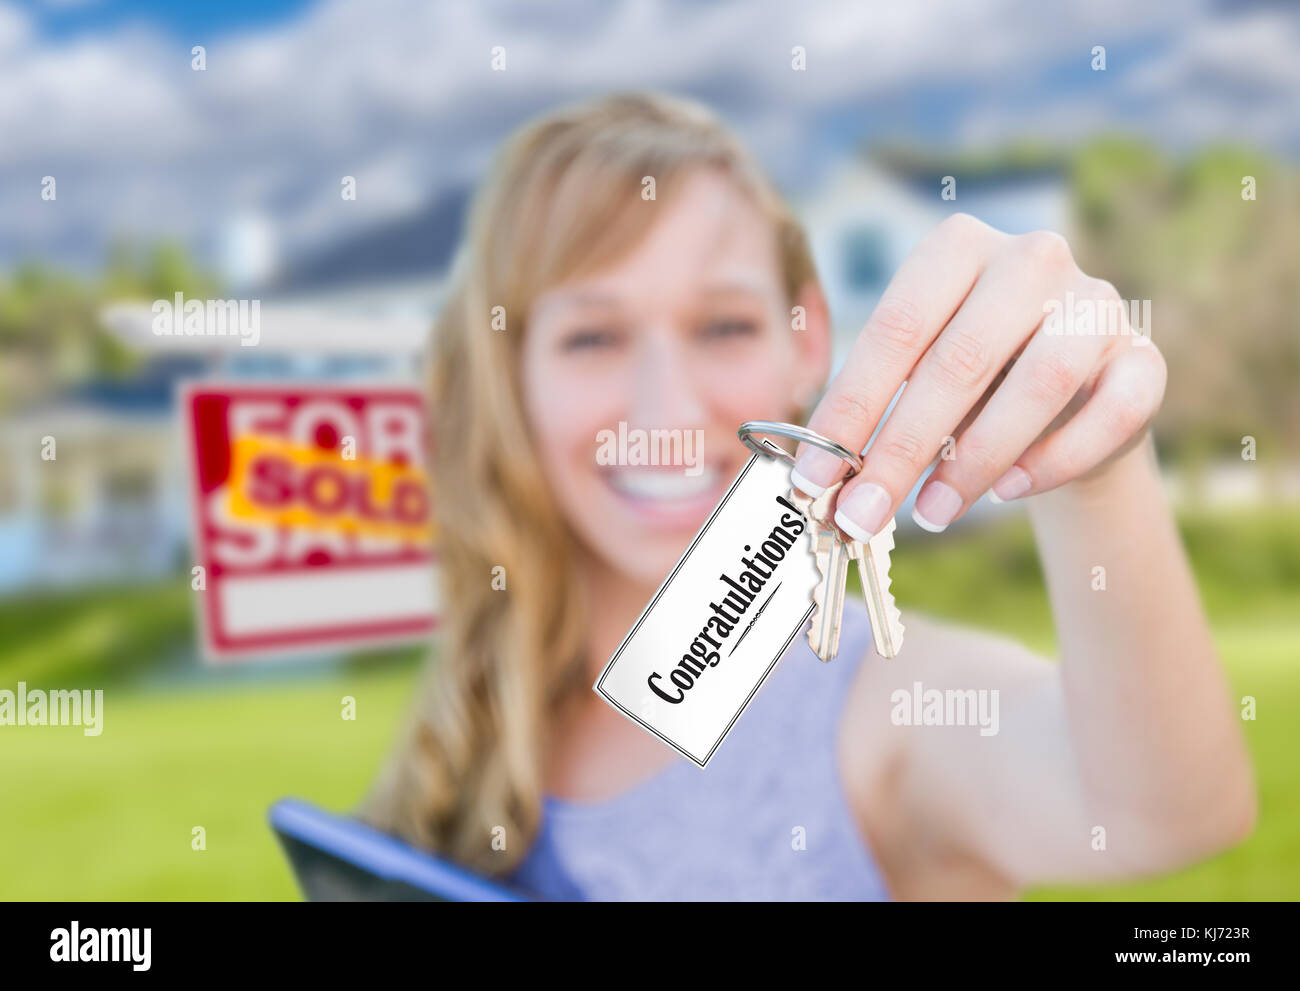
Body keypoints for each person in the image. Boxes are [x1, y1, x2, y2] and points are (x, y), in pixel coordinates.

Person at [361, 91, 1255, 900]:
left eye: (724, 325)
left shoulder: (878, 709)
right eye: (593, 336)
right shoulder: (491, 690)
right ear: (509, 376)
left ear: (807, 341)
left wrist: (1088, 466)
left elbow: (1159, 814)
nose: (667, 409)